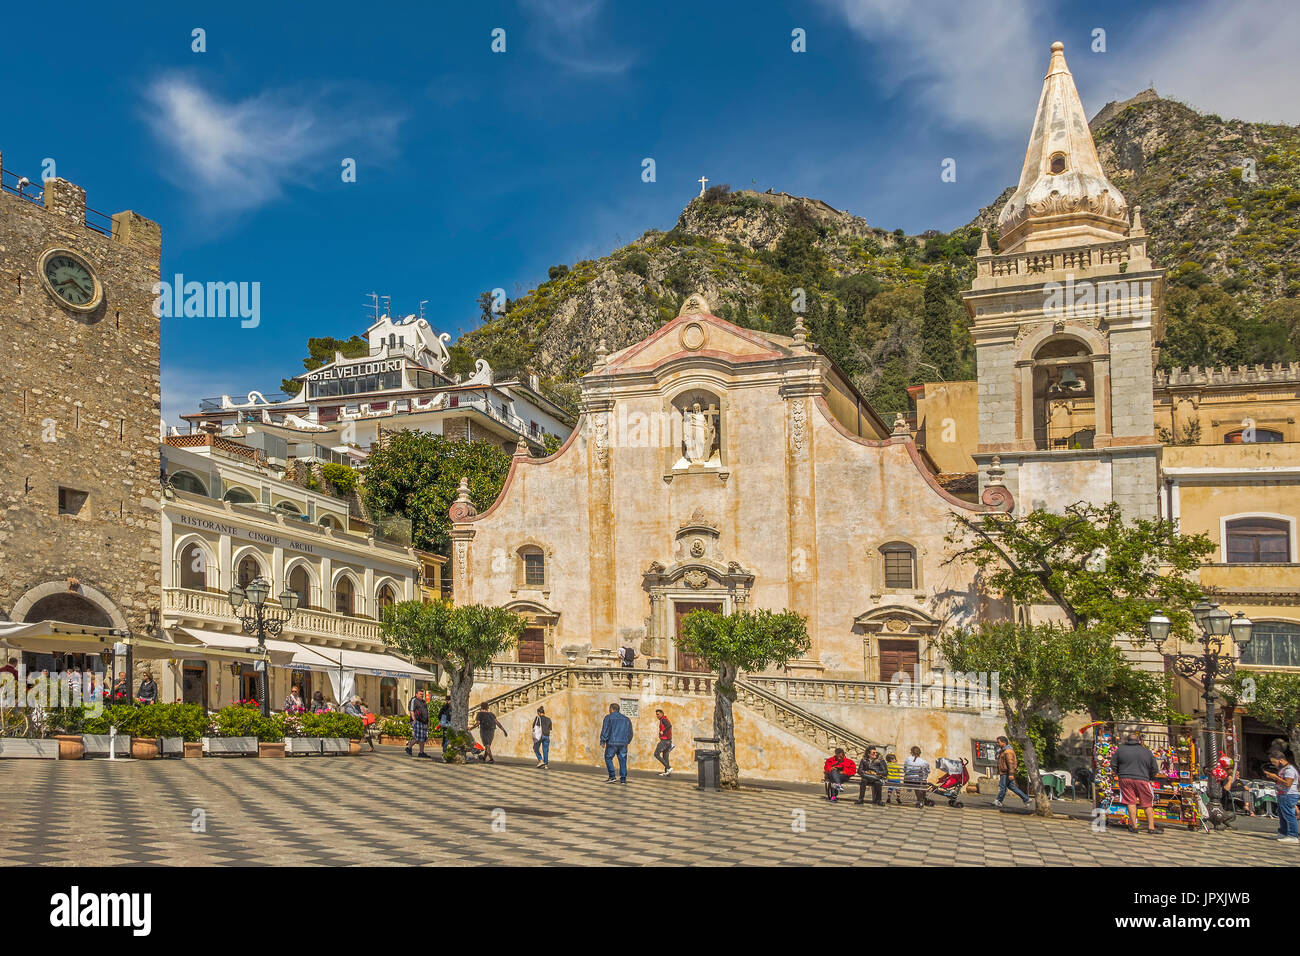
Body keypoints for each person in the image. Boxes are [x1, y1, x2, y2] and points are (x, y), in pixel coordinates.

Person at [1114, 730, 1161, 834]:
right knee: (1147, 802)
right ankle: (1151, 827)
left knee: (1130, 801)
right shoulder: (1146, 751)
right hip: (1142, 779)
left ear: (1127, 740)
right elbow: (1155, 769)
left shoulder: (1120, 750)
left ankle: (1134, 826)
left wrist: (1120, 774)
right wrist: (1149, 777)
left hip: (1125, 779)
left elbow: (1113, 765)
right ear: (1139, 740)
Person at [1263, 748, 1299, 844]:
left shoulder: (1289, 770)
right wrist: (1273, 778)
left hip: (1289, 794)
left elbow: (1288, 783)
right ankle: (1283, 832)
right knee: (1282, 814)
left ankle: (1293, 835)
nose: (1274, 764)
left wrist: (1276, 777)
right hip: (1282, 794)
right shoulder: (1283, 769)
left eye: (1274, 762)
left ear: (1281, 760)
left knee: (1289, 815)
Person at [599, 702, 634, 783]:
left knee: (608, 758)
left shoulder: (608, 717)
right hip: (623, 743)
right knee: (623, 760)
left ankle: (612, 776)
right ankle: (623, 779)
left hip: (612, 742)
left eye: (609, 709)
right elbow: (630, 732)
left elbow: (605, 730)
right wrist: (627, 741)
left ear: (611, 709)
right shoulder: (626, 719)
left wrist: (603, 740)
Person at [994, 736, 1032, 809]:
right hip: (1005, 772)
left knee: (1003, 787)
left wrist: (1011, 774)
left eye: (999, 742)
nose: (998, 744)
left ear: (1003, 742)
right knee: (1011, 786)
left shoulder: (1008, 751)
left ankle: (999, 800)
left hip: (1006, 772)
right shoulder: (1004, 750)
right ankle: (1026, 799)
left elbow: (1010, 763)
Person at [406, 690, 430, 758]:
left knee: (422, 737)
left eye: (422, 694)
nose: (421, 695)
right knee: (417, 737)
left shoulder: (423, 702)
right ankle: (409, 747)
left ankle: (421, 752)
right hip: (417, 721)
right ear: (416, 694)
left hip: (424, 721)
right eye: (420, 694)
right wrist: (414, 720)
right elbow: (411, 710)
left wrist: (428, 722)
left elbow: (426, 712)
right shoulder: (414, 700)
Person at [653, 708, 673, 776]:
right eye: (656, 714)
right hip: (668, 741)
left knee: (656, 754)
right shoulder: (664, 719)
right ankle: (668, 772)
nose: (657, 716)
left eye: (658, 714)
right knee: (665, 756)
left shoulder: (663, 719)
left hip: (664, 741)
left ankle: (668, 767)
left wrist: (663, 731)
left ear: (662, 714)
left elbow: (669, 726)